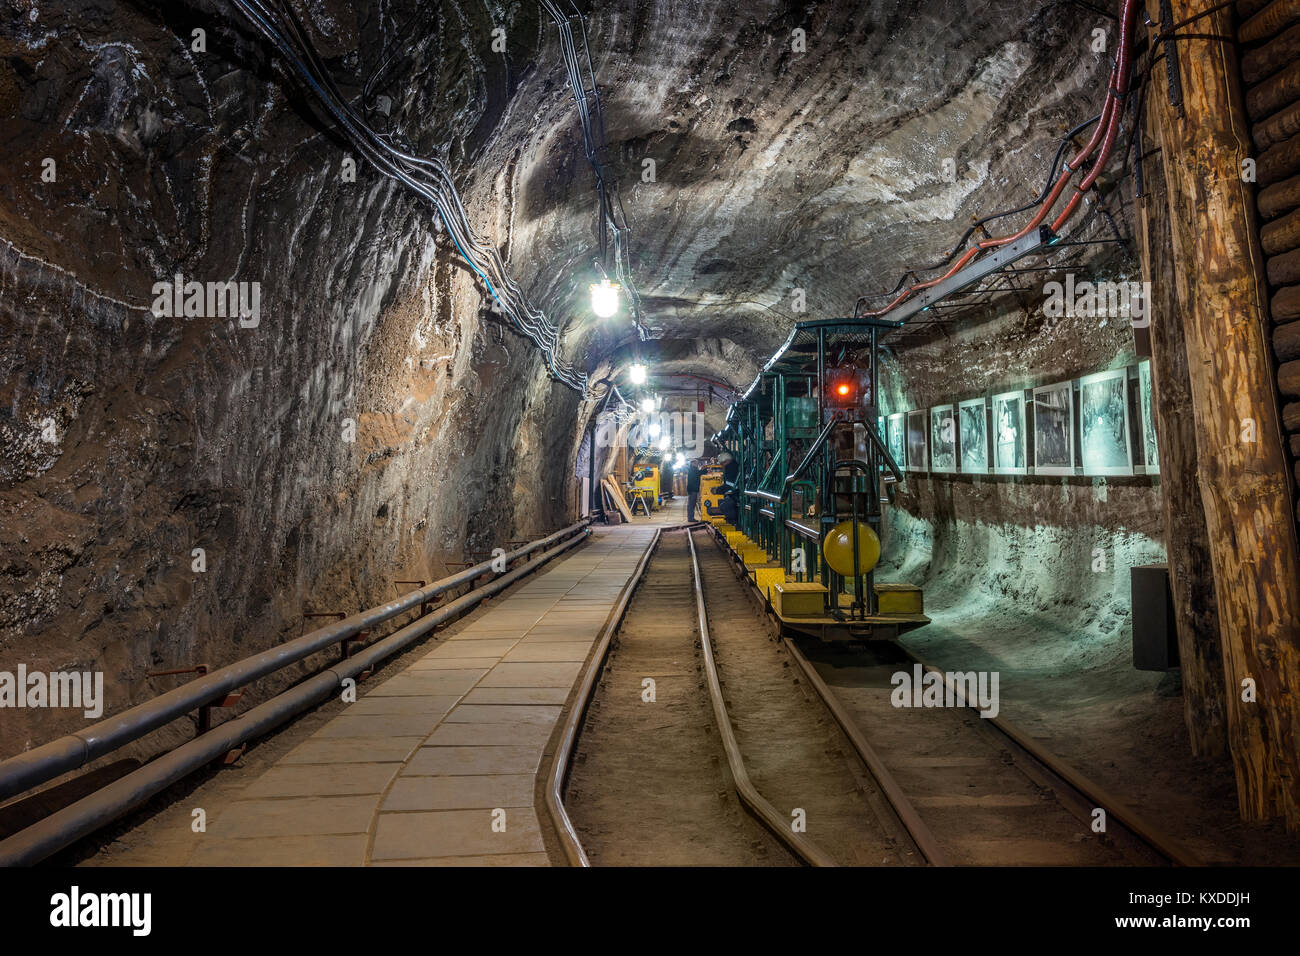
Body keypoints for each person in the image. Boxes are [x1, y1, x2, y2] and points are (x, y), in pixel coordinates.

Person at [718, 451, 739, 525]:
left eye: (722, 464)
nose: (721, 466)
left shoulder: (730, 468)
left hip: (737, 494)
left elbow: (730, 485)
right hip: (736, 492)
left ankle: (735, 523)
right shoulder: (734, 465)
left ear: (726, 461)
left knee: (725, 506)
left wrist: (717, 490)